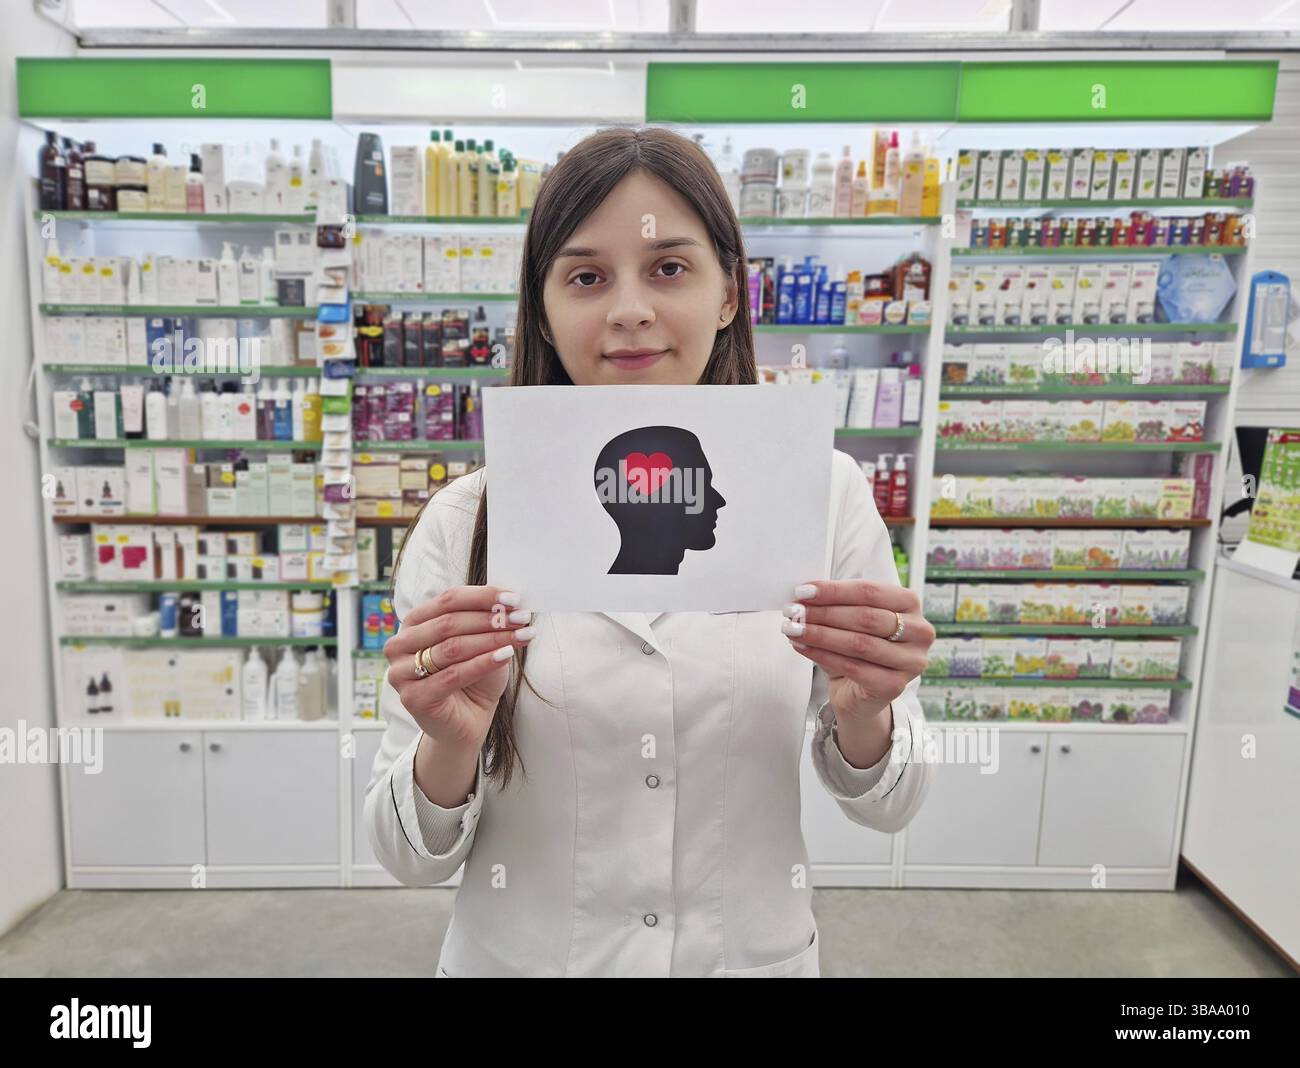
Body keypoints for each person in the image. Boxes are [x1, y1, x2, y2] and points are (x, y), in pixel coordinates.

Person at [364, 126, 936, 977]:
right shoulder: (466, 518)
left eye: (669, 267)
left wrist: (867, 714)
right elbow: (406, 855)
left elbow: (893, 807)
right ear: (546, 313)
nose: (629, 309)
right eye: (587, 277)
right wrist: (448, 745)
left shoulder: (826, 493)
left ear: (730, 294)